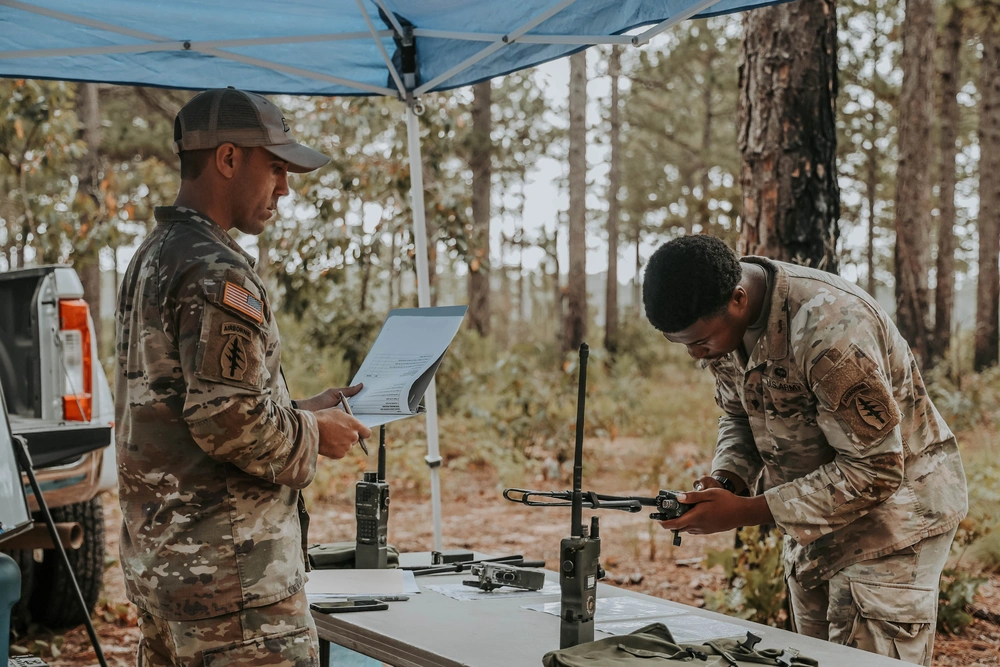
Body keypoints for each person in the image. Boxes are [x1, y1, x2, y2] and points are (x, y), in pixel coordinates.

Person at [115, 88, 372, 666]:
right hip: (233, 595)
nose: (285, 187)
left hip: (168, 571)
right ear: (229, 159)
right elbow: (229, 420)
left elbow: (182, 403)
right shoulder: (214, 268)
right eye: (276, 167)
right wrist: (314, 434)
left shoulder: (155, 256)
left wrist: (305, 407)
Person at [641, 235, 967, 666]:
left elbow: (877, 470)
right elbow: (740, 415)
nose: (694, 354)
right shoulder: (720, 326)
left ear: (738, 299)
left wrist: (746, 512)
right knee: (810, 659)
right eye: (680, 343)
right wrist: (728, 480)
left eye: (698, 342)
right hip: (811, 524)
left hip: (893, 528)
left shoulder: (831, 328)